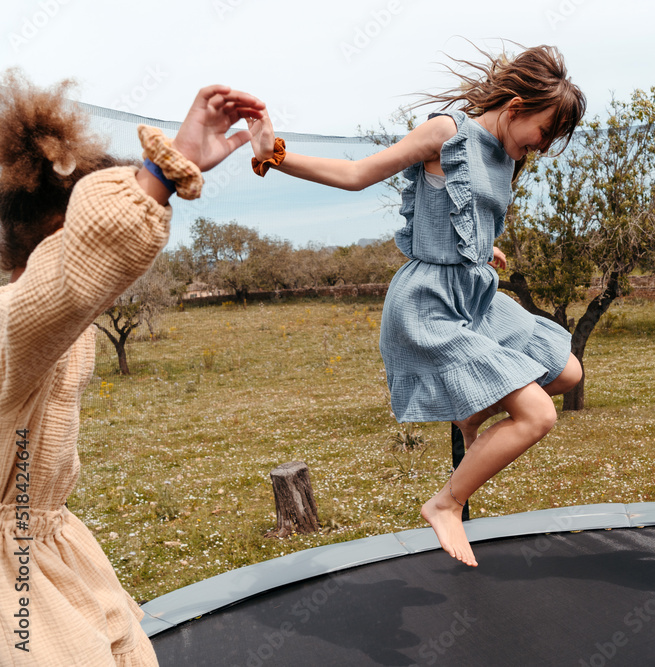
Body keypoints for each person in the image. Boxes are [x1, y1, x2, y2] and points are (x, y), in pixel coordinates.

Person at [248, 45, 585, 567]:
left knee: (566, 371)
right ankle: (444, 503)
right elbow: (357, 173)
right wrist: (275, 152)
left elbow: (464, 211)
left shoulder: (505, 155)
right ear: (516, 107)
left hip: (475, 294)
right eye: (544, 132)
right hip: (429, 304)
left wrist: (481, 247)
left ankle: (473, 407)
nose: (541, 146)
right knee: (538, 415)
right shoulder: (447, 133)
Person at [0, 70, 264, 665]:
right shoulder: (10, 327)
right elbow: (76, 270)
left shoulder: (59, 331)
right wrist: (166, 171)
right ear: (61, 240)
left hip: (49, 547)